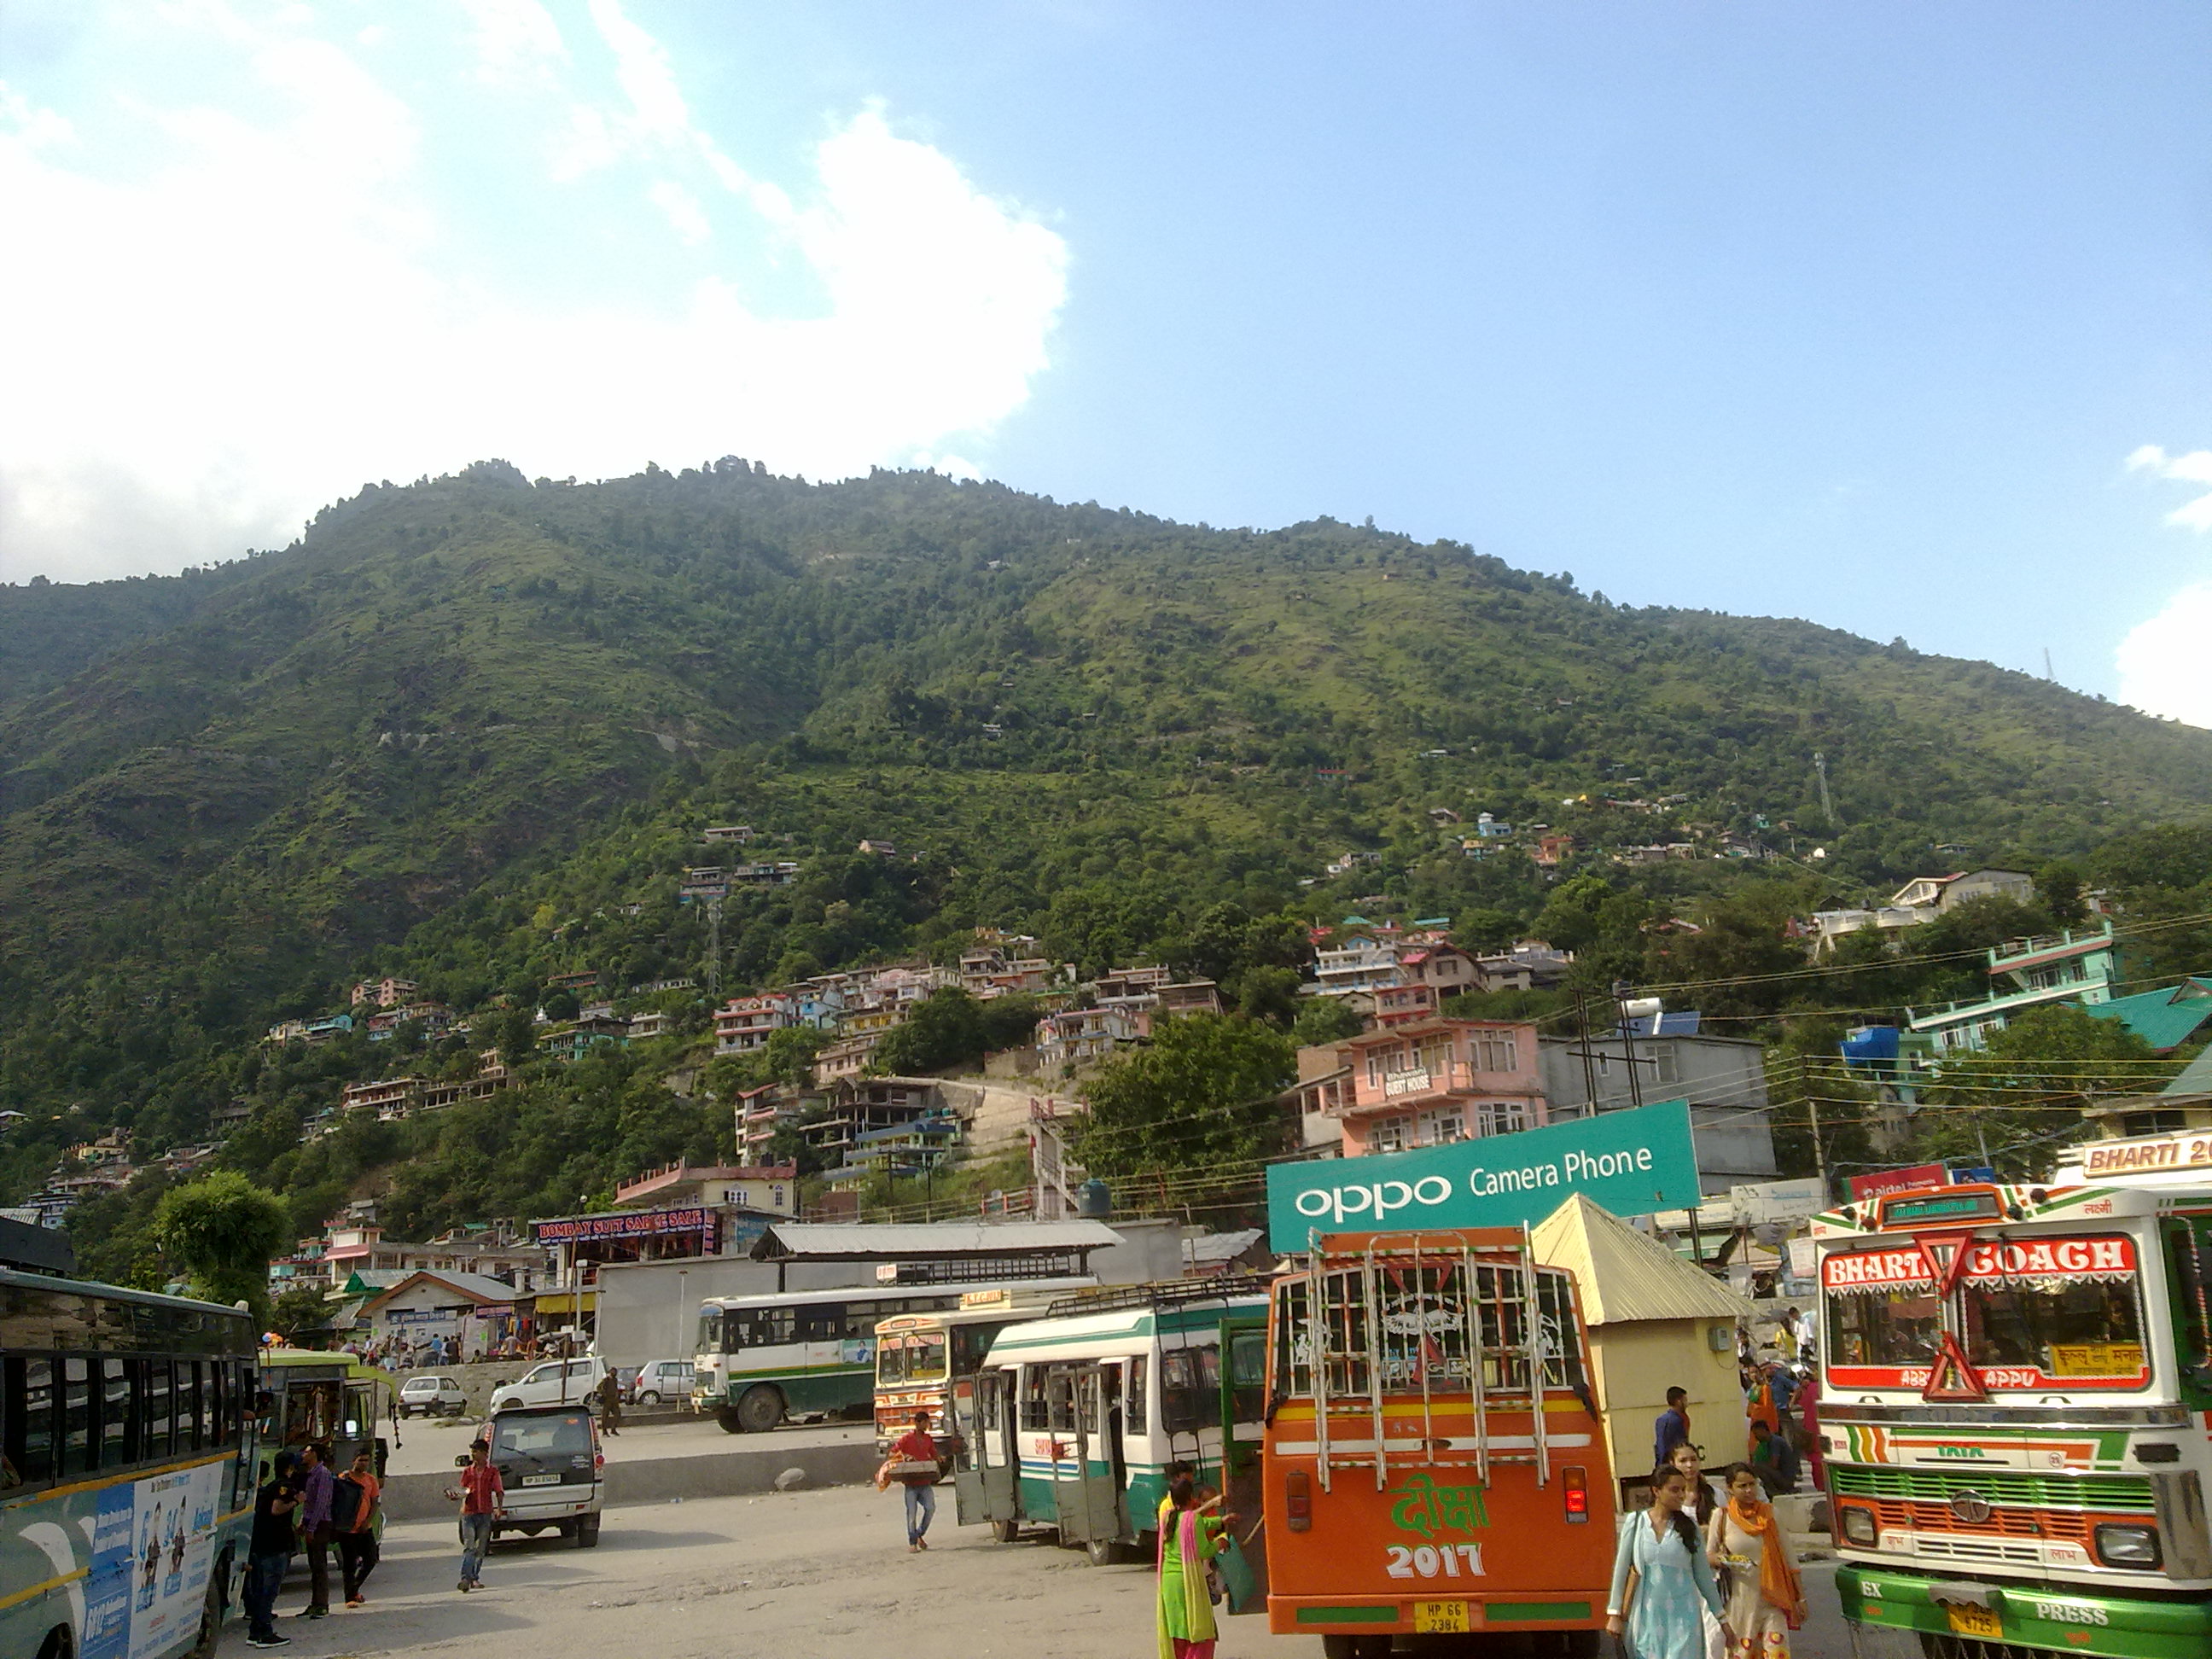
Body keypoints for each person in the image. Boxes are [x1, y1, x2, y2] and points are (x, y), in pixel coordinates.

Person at [1608, 1464, 1731, 1659]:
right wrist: (1614, 1614)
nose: (1681, 1495)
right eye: (1674, 1490)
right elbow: (1621, 1571)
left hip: (1684, 1621)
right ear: (1656, 1491)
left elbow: (1704, 1578)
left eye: (1683, 1490)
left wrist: (1722, 1620)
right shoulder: (1636, 1523)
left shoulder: (1690, 1529)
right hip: (1645, 1619)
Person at [1708, 1463, 1807, 1659]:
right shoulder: (1721, 1517)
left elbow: (1790, 1559)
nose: (1748, 1490)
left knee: (1777, 1653)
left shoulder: (1770, 1515)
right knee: (1742, 1653)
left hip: (1773, 1599)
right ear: (1730, 1488)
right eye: (1742, 1486)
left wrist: (1800, 1598)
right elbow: (1708, 1555)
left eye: (1752, 1484)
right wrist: (1726, 1560)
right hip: (1739, 1603)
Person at [1156, 1471, 1234, 1659]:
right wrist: (1221, 1543)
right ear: (1191, 1498)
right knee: (1199, 1632)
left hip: (1168, 1583)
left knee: (1178, 1632)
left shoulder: (1167, 1517)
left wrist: (1220, 1520)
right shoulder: (1193, 1519)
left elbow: (1196, 1524)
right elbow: (1204, 1551)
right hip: (1188, 1583)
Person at [243, 1451, 300, 1649]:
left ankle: (255, 1631)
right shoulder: (284, 1486)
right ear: (290, 1467)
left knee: (259, 1590)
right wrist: (297, 1501)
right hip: (275, 1546)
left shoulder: (269, 1487)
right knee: (269, 1590)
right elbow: (276, 1509)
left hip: (261, 1544)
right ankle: (265, 1633)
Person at [445, 1436, 504, 1591]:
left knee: (480, 1548)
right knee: (469, 1546)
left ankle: (474, 1577)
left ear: (484, 1454)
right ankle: (466, 1578)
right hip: (469, 1513)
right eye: (472, 1451)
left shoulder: (492, 1471)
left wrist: (499, 1508)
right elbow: (462, 1490)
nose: (473, 1455)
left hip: (485, 1513)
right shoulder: (468, 1472)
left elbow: (499, 1491)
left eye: (476, 1451)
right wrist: (455, 1495)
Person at [335, 1449, 381, 1608]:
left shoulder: (371, 1480)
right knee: (349, 1564)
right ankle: (350, 1597)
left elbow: (374, 1502)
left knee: (371, 1559)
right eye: (361, 1460)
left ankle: (354, 1589)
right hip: (347, 1529)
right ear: (353, 1461)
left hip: (364, 1528)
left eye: (366, 1460)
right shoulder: (344, 1478)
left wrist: (367, 1521)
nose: (364, 1463)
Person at [293, 1442, 334, 1621]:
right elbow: (309, 1503)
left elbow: (321, 1503)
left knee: (319, 1565)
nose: (303, 1454)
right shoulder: (311, 1475)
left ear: (315, 1454)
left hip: (321, 1523)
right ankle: (315, 1602)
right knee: (313, 1565)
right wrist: (303, 1521)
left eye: (307, 1451)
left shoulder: (322, 1474)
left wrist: (312, 1528)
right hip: (312, 1521)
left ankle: (322, 1604)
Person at [892, 1410, 938, 1551]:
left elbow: (934, 1454)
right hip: (911, 1484)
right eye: (925, 1423)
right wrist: (906, 1456)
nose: (926, 1425)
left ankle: (918, 1534)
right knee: (911, 1514)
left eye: (927, 1423)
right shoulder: (906, 1439)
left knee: (930, 1508)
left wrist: (939, 1458)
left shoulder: (928, 1439)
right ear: (917, 1423)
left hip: (925, 1482)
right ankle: (913, 1542)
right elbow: (893, 1453)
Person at [1749, 1424, 1801, 1497]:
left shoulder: (1775, 1442)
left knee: (1758, 1467)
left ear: (1763, 1431)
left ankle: (1774, 1491)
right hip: (1785, 1477)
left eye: (1756, 1433)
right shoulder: (1770, 1442)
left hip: (1786, 1480)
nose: (1755, 1437)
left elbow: (1774, 1464)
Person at [1654, 1385, 1692, 1470]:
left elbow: (1660, 1445)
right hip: (1672, 1464)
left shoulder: (1661, 1420)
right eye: (1685, 1400)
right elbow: (1679, 1445)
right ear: (1678, 1401)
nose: (1687, 1404)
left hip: (1663, 1463)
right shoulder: (1676, 1421)